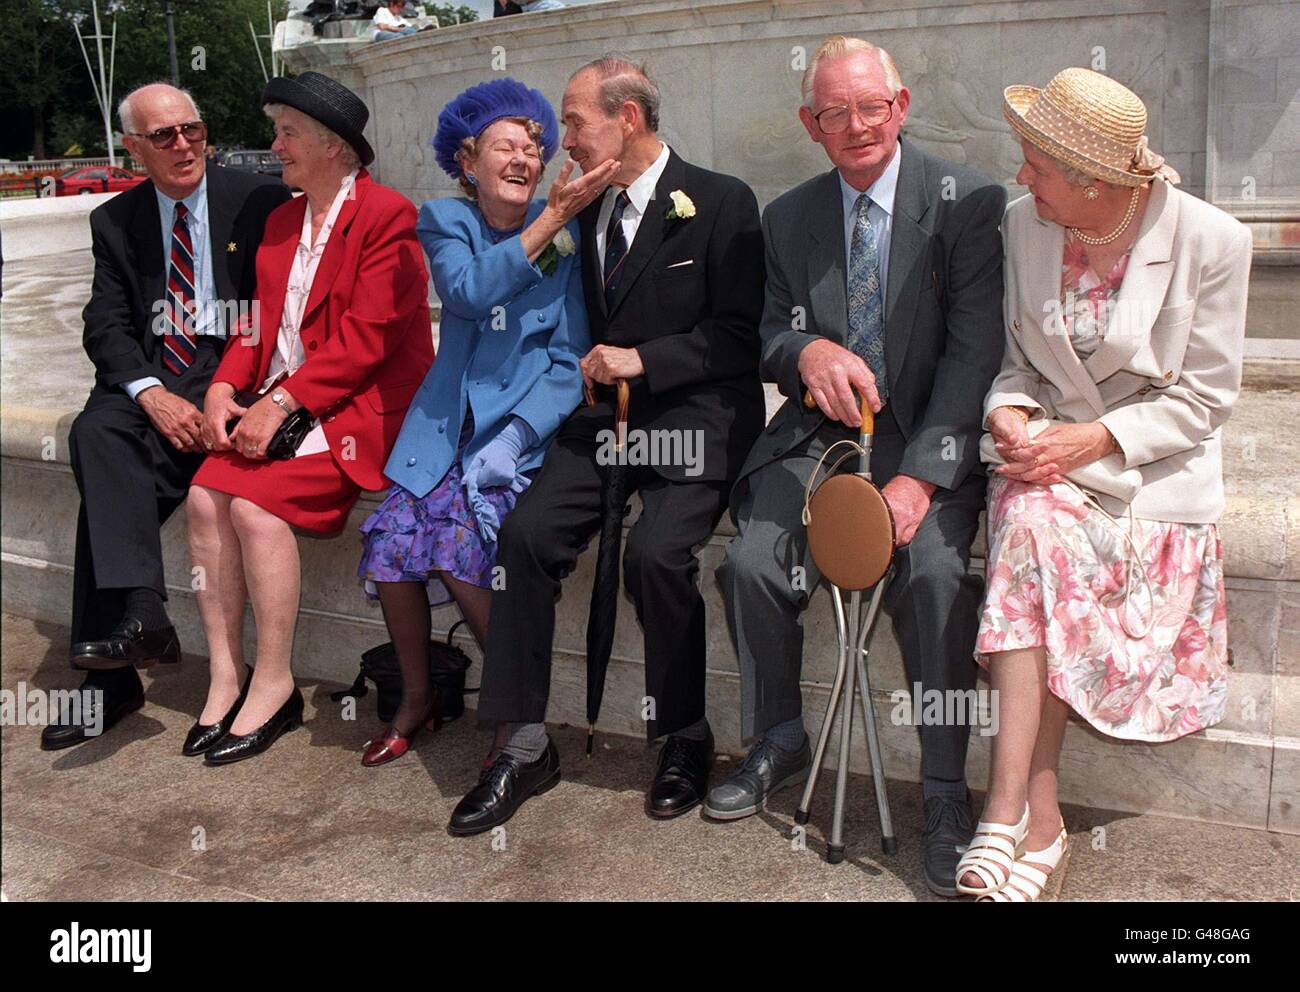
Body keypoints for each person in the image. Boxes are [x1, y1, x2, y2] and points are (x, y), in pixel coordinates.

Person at [710, 36, 1006, 898]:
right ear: (811, 124)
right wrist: (802, 351)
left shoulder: (967, 203)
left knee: (937, 573)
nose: (855, 126)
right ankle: (777, 737)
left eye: (870, 106)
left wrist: (919, 477)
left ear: (901, 106)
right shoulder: (789, 216)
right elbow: (763, 334)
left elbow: (974, 353)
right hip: (816, 441)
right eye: (833, 112)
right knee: (750, 562)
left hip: (925, 443)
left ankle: (947, 792)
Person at [449, 55, 766, 835]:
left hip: (697, 418)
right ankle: (523, 744)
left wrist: (648, 360)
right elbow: (507, 295)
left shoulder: (723, 201)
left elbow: (739, 336)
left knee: (656, 555)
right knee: (522, 538)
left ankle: (685, 735)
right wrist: (550, 217)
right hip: (604, 425)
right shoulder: (579, 210)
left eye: (576, 120)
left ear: (628, 117)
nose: (565, 140)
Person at [957, 68, 1251, 902]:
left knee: (1032, 542)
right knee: (1029, 529)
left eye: (1036, 167)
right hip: (1046, 461)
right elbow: (1016, 364)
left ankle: (1012, 812)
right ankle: (1027, 812)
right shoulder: (1026, 227)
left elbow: (1206, 398)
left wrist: (1098, 437)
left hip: (1147, 474)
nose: (1020, 179)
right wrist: (1011, 414)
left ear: (1096, 183)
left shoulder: (1213, 241)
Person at [354, 78, 612, 767]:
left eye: (534, 147)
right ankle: (417, 696)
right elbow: (466, 292)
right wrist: (545, 225)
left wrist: (520, 433)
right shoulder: (446, 220)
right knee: (393, 543)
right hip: (444, 431)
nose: (525, 159)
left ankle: (515, 712)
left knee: (460, 544)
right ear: (469, 163)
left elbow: (569, 359)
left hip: (517, 434)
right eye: (508, 147)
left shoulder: (568, 236)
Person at [185, 72, 433, 765]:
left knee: (255, 512)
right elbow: (256, 325)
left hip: (358, 411)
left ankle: (275, 682)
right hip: (285, 406)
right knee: (205, 498)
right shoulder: (281, 219)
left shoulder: (388, 216)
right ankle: (226, 675)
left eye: (288, 132)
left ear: (334, 147)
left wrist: (281, 401)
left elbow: (367, 339)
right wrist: (225, 386)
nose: (276, 145)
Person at [40, 83, 290, 752]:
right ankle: (142, 613)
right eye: (164, 136)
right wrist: (151, 392)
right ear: (132, 149)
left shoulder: (259, 201)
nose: (184, 145)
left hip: (233, 374)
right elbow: (106, 324)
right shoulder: (115, 221)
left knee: (109, 482)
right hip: (159, 378)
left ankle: (119, 659)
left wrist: (239, 391)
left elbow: (286, 307)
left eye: (193, 129)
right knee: (97, 432)